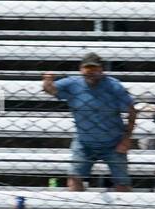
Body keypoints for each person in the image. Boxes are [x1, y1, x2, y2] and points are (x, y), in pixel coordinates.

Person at [42, 53, 137, 192]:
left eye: (94, 68)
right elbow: (51, 90)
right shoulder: (73, 83)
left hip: (113, 143)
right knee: (74, 180)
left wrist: (127, 139)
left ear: (101, 70)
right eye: (87, 68)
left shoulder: (113, 86)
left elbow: (132, 110)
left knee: (122, 184)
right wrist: (47, 83)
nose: (91, 72)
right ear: (81, 69)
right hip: (84, 143)